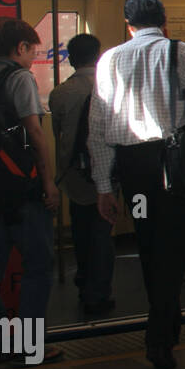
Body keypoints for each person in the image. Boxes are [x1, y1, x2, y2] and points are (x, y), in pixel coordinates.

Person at [90, 0, 185, 369]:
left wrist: (103, 186)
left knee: (148, 245)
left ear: (127, 24)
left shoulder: (109, 59)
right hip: (175, 166)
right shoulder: (183, 54)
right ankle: (161, 333)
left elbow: (97, 129)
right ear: (164, 22)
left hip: (134, 171)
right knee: (175, 246)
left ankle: (164, 326)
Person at [0, 18, 63, 364]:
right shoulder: (19, 78)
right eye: (33, 51)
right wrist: (49, 183)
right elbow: (34, 134)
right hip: (22, 191)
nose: (33, 59)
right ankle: (28, 345)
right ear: (20, 48)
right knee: (37, 264)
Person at [48, 33, 114, 316]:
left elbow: (58, 135)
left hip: (75, 175)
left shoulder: (60, 93)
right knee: (102, 233)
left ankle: (83, 278)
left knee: (81, 230)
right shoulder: (110, 88)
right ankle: (97, 293)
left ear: (71, 59)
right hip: (106, 173)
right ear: (97, 56)